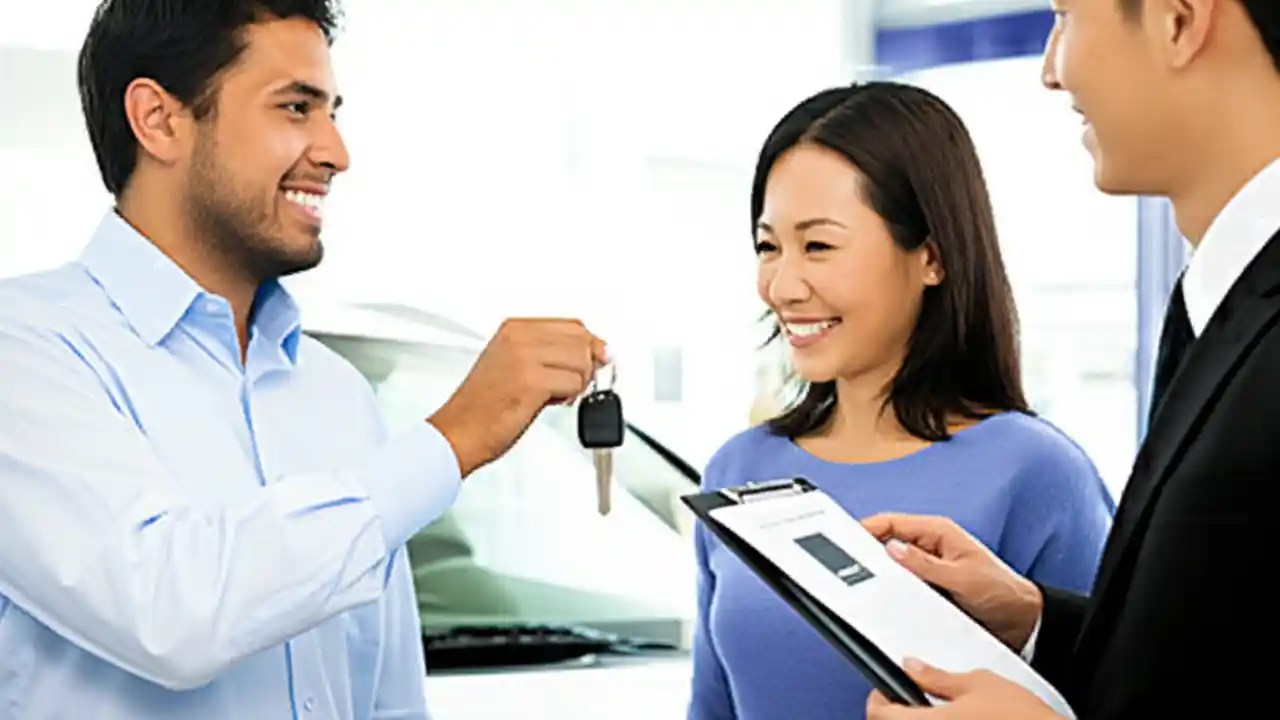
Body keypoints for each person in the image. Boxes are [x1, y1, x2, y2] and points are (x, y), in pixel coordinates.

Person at [0, 1, 607, 718]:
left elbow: (386, 697)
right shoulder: (26, 350)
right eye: (295, 108)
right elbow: (170, 612)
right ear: (159, 120)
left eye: (332, 112)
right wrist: (454, 438)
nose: (335, 152)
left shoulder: (338, 394)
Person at [862, 1, 1280, 718]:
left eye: (1066, 16)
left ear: (1178, 20)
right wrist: (1033, 619)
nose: (1052, 70)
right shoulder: (1218, 304)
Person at [686, 81, 1115, 720]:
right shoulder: (739, 470)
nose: (782, 284)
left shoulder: (1037, 472)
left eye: (819, 246)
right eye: (768, 246)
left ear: (933, 257)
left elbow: (1124, 690)